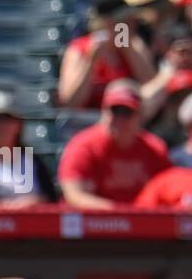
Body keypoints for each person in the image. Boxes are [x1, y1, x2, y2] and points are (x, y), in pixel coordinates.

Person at [56, 78, 171, 208]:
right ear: (104, 112)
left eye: (126, 112)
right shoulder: (83, 146)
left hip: (141, 222)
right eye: (115, 111)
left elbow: (168, 190)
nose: (119, 119)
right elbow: (74, 195)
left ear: (140, 115)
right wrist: (120, 213)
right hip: (96, 223)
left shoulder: (154, 148)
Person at [56, 0, 156, 110]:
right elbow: (70, 102)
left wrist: (128, 49)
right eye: (122, 21)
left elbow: (152, 88)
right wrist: (91, 62)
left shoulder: (134, 44)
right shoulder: (79, 49)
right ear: (106, 23)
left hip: (126, 118)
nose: (132, 23)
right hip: (86, 121)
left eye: (131, 18)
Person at [0, 90, 57, 206]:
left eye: (8, 119)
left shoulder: (33, 160)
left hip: (34, 221)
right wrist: (13, 207)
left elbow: (51, 197)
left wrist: (35, 201)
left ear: (19, 125)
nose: (2, 126)